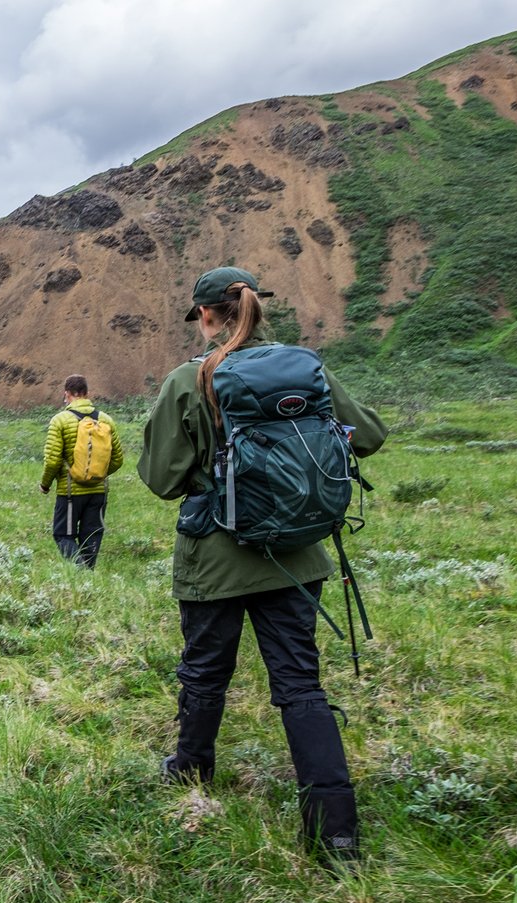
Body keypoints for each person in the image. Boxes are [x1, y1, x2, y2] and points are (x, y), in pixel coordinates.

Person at [137, 266, 387, 864]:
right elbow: (368, 436)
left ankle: (191, 772)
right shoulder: (307, 369)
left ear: (205, 315)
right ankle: (336, 834)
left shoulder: (189, 379)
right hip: (299, 559)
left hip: (214, 563)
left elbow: (160, 478)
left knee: (203, 673)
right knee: (301, 685)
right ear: (256, 306)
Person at [38, 375, 123, 568]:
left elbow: (52, 460)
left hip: (70, 493)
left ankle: (81, 574)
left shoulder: (60, 421)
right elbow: (118, 459)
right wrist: (99, 473)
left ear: (67, 394)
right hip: (99, 492)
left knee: (63, 535)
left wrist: (45, 484)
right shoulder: (106, 420)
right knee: (91, 536)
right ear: (87, 393)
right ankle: (88, 579)